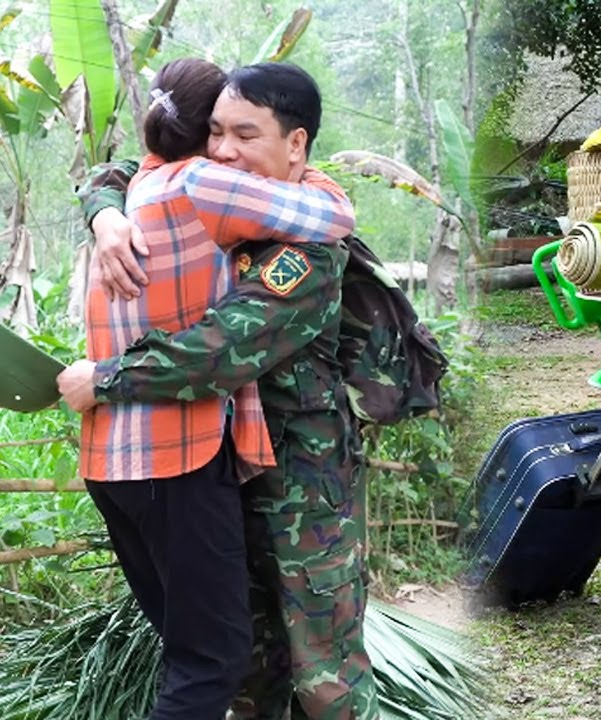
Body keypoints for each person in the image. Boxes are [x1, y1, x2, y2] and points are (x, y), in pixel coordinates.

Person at [59, 63, 378, 719]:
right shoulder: (214, 195)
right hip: (218, 480)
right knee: (245, 672)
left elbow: (221, 351)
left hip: (301, 499)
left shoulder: (310, 248)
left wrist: (107, 378)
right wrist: (105, 217)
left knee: (325, 679)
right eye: (216, 132)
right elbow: (124, 168)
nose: (223, 149)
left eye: (245, 134)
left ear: (295, 145)